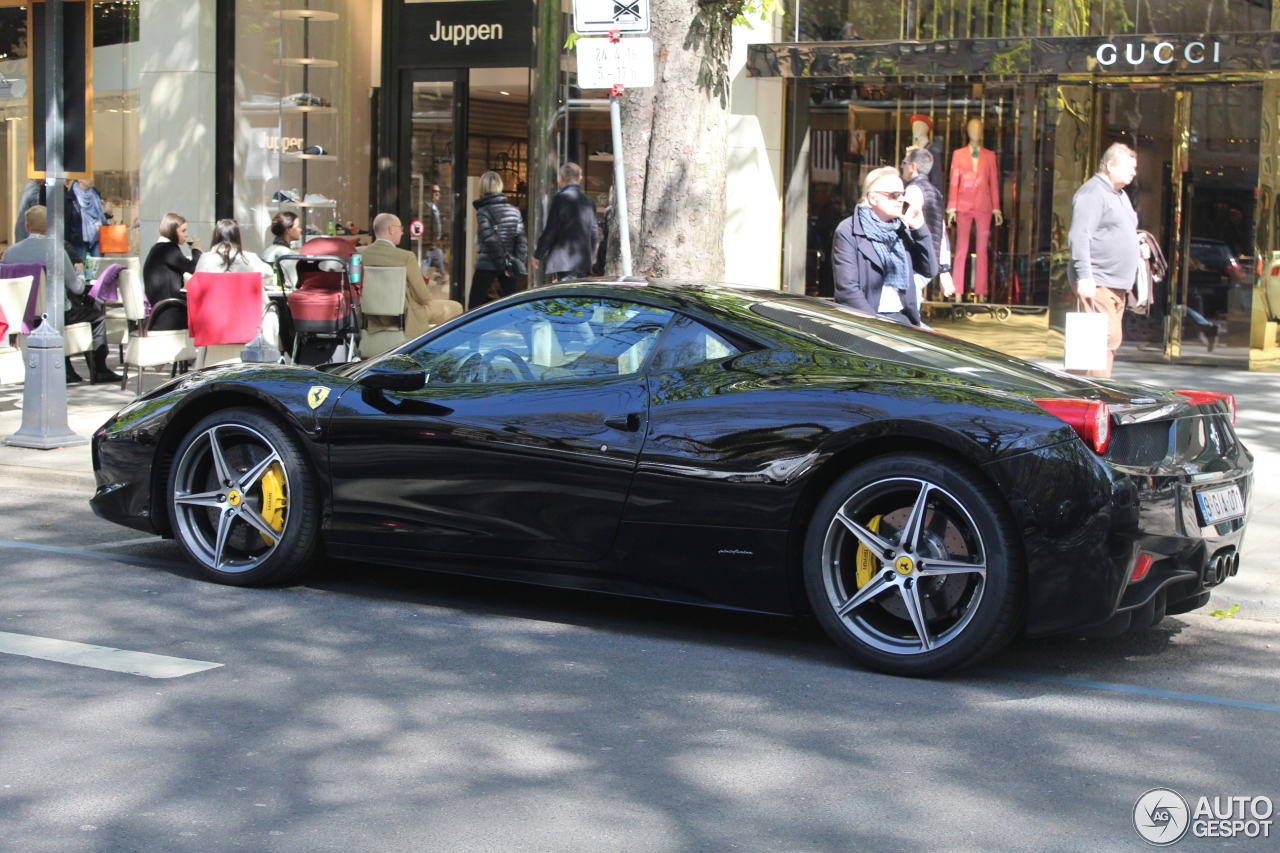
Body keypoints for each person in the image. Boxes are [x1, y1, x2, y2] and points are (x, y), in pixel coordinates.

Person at [3, 205, 120, 383]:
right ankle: (99, 369)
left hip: (23, 316)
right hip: (54, 314)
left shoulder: (10, 252)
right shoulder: (56, 251)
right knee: (96, 318)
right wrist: (80, 271)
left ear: (27, 227)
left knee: (67, 312)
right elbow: (77, 288)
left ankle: (68, 371)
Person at [1068, 142, 1140, 378]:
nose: (1134, 172)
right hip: (1099, 281)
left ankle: (1075, 398)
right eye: (1129, 167)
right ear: (1110, 165)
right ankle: (1097, 395)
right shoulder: (1092, 193)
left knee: (1095, 344)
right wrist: (1086, 276)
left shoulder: (1119, 195)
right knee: (1103, 340)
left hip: (1115, 283)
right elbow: (1080, 235)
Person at [831, 166, 937, 327]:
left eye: (903, 194)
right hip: (866, 321)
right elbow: (847, 290)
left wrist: (919, 229)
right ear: (872, 198)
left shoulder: (901, 228)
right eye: (894, 195)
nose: (901, 199)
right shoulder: (849, 230)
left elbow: (929, 270)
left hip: (903, 318)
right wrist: (874, 326)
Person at [359, 213, 462, 338]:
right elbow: (422, 296)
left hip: (372, 316)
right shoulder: (405, 257)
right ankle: (438, 351)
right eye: (400, 228)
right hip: (405, 315)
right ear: (391, 229)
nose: (402, 233)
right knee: (455, 307)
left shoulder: (361, 254)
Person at [945, 117, 1002, 299]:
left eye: (978, 129)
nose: (975, 132)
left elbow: (993, 182)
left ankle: (981, 291)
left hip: (984, 205)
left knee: (982, 249)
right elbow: (954, 181)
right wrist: (952, 207)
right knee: (961, 248)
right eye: (972, 128)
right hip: (963, 204)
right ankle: (958, 290)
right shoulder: (958, 154)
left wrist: (996, 208)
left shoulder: (990, 155)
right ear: (967, 131)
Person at [468, 171, 527, 311]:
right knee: (515, 306)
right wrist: (514, 264)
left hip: (488, 262)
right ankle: (526, 332)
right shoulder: (514, 211)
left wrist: (503, 264)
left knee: (473, 305)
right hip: (508, 263)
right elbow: (521, 241)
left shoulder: (483, 211)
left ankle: (471, 333)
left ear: (482, 188)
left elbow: (490, 239)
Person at [901, 147, 954, 302]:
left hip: (914, 261)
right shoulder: (935, 192)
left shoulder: (912, 190)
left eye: (904, 162)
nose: (902, 166)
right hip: (928, 261)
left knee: (907, 313)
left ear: (913, 167)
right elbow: (941, 231)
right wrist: (944, 268)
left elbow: (904, 225)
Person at [533, 162, 598, 282]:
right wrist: (591, 257)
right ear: (580, 178)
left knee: (567, 296)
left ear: (561, 178)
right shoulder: (590, 201)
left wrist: (538, 254)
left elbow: (552, 229)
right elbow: (594, 233)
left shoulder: (561, 199)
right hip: (583, 261)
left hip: (564, 261)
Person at [142, 213, 202, 331]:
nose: (187, 234)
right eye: (183, 231)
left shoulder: (159, 248)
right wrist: (197, 249)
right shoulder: (168, 249)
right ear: (172, 231)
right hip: (169, 314)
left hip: (161, 312)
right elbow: (194, 268)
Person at [67, 178, 109, 260]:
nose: (92, 179)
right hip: (79, 239)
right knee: (81, 267)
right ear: (80, 179)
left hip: (97, 237)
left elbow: (99, 217)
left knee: (97, 267)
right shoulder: (71, 198)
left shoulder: (95, 195)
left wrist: (109, 214)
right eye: (88, 177)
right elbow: (67, 222)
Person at [261, 211, 302, 289]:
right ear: (288, 230)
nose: (300, 229)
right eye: (298, 226)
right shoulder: (289, 254)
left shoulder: (267, 251)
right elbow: (296, 284)